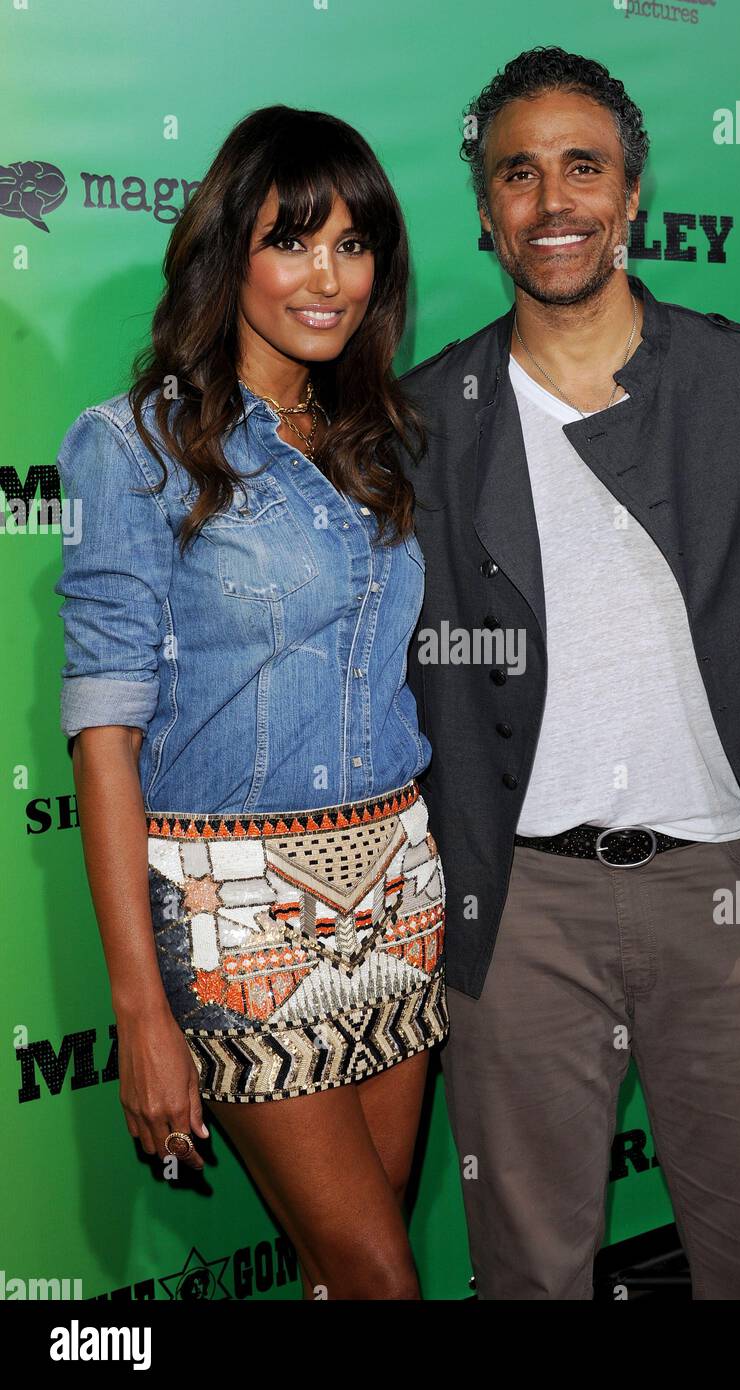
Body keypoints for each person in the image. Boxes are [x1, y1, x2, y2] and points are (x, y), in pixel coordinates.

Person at [399, 47, 740, 1300]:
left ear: (629, 191)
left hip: (722, 891)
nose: (551, 201)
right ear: (486, 206)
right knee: (527, 1270)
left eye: (581, 167)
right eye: (517, 173)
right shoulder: (420, 421)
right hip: (514, 908)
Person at [54, 105, 447, 1301]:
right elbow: (105, 738)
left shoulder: (376, 437)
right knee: (380, 1279)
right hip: (232, 918)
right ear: (230, 251)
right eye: (292, 240)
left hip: (397, 888)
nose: (328, 277)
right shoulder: (131, 448)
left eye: (353, 244)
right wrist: (141, 1010)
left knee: (348, 1270)